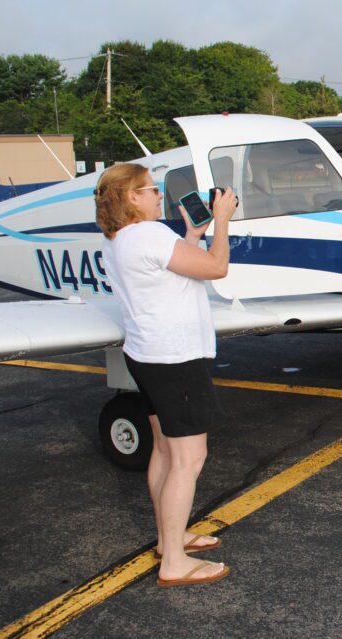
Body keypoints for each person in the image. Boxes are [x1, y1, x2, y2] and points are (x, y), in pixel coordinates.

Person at [95, 163, 238, 586]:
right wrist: (224, 222)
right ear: (131, 198)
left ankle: (167, 539)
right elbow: (215, 268)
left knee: (164, 450)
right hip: (175, 358)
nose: (160, 195)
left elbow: (171, 268)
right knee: (189, 459)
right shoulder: (150, 234)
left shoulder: (119, 238)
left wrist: (193, 234)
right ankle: (173, 561)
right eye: (151, 190)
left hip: (148, 353)